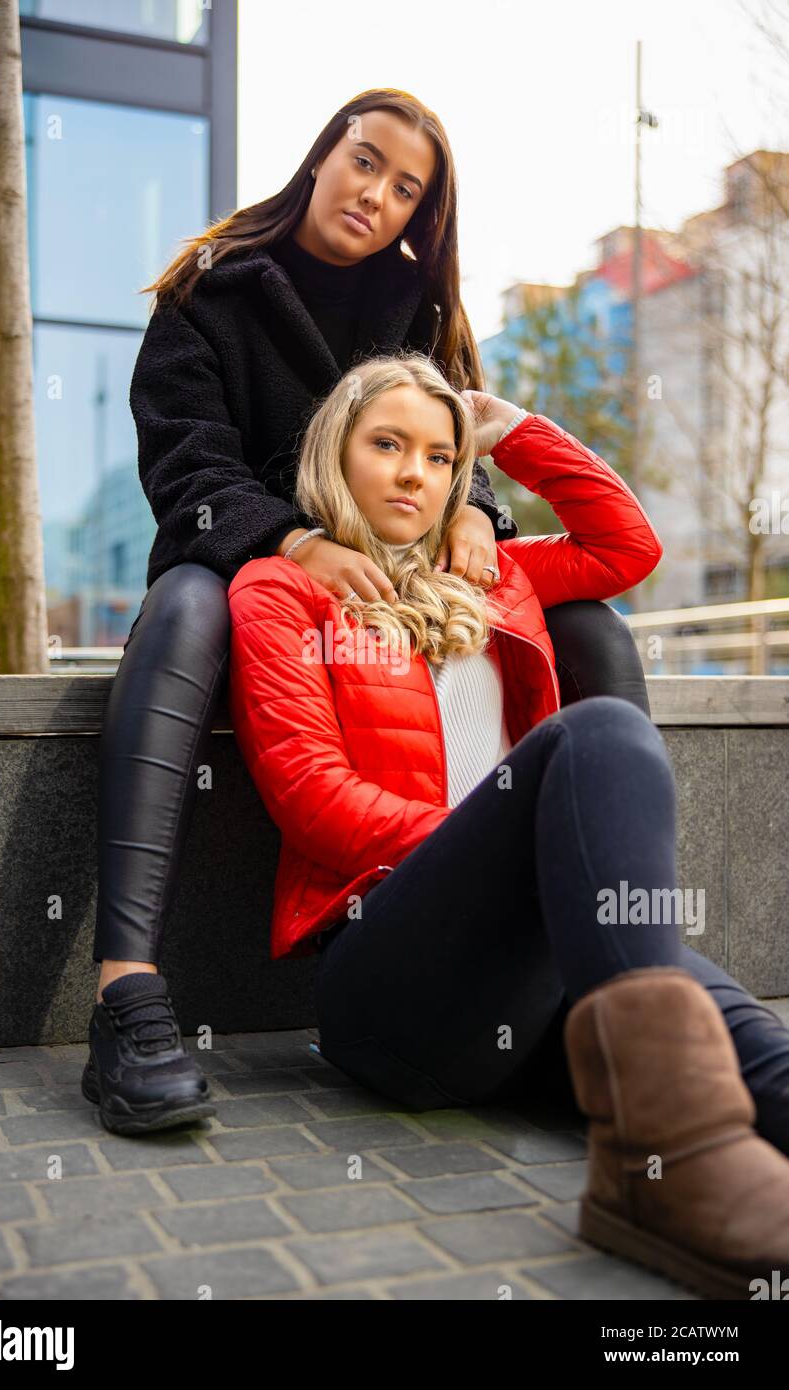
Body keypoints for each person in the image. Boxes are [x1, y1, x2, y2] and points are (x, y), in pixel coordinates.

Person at [82, 89, 654, 1138]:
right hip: (249, 550)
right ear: (319, 158)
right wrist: (293, 540)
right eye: (364, 162)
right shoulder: (209, 294)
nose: (376, 196)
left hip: (401, 573)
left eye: (407, 190)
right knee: (187, 608)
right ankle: (126, 989)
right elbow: (184, 466)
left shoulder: (420, 309)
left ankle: (626, 941)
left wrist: (480, 510)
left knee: (589, 628)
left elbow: (447, 442)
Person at [225, 352, 789, 1301]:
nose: (417, 473)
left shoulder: (498, 578)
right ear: (336, 454)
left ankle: (675, 1138)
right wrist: (492, 837)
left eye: (442, 456)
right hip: (391, 984)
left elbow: (627, 544)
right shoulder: (282, 593)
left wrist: (514, 428)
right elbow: (312, 797)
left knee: (755, 1054)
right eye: (388, 445)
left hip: (531, 972)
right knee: (601, 732)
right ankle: (668, 1164)